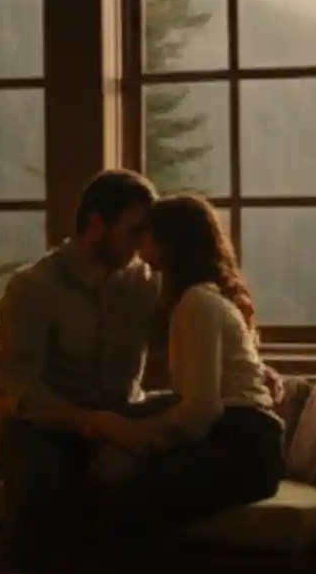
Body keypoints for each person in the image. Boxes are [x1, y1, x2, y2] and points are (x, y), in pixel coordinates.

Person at [84, 194, 284, 536]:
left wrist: (141, 434)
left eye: (147, 234)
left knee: (123, 497)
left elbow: (200, 410)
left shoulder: (197, 303)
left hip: (243, 448)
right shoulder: (200, 299)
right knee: (114, 474)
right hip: (243, 444)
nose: (139, 243)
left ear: (170, 244)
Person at [0, 169, 163, 574]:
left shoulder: (145, 283)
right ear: (95, 225)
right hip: (52, 427)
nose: (141, 245)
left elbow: (198, 324)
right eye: (133, 232)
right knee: (42, 484)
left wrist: (250, 367)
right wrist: (89, 423)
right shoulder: (33, 288)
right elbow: (22, 389)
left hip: (122, 417)